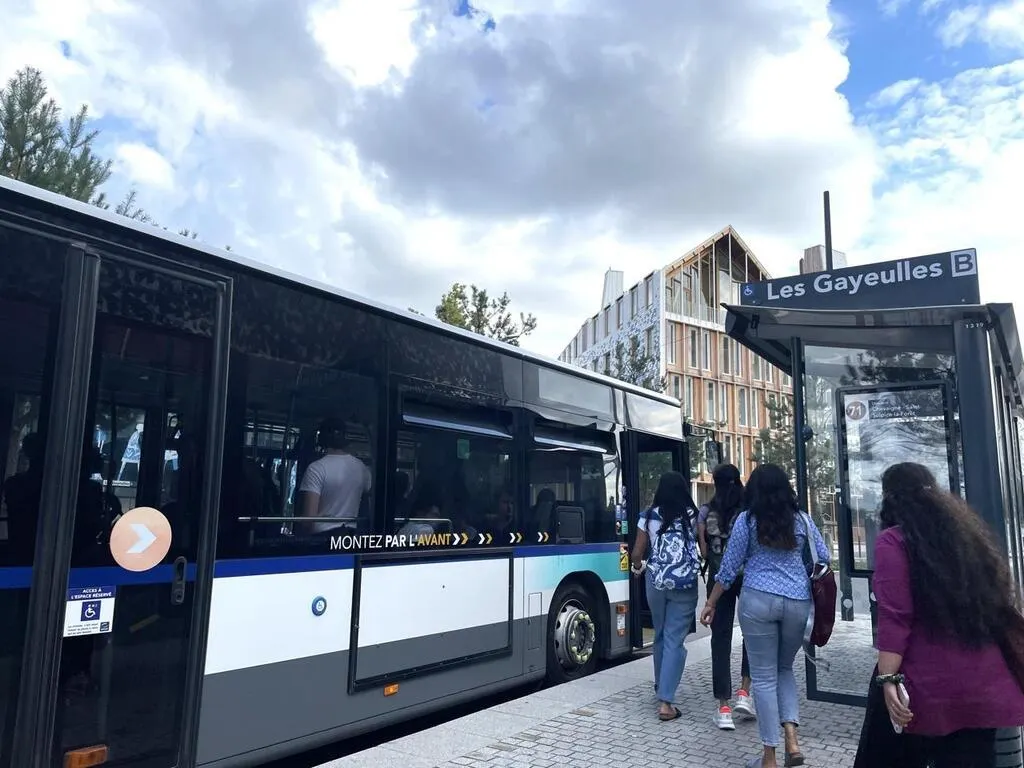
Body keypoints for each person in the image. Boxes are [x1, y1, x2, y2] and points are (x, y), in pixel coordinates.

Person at [853, 462, 1024, 768]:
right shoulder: (969, 539)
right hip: (985, 686)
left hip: (927, 686)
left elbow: (896, 617)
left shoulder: (893, 541)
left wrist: (887, 679)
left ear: (890, 498)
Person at [700, 463, 829, 768]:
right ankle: (792, 740)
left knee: (764, 678)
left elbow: (729, 569)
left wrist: (711, 602)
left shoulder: (747, 521)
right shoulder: (803, 521)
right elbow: (823, 558)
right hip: (797, 602)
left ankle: (769, 757)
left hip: (757, 600)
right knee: (784, 670)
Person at [630, 470, 701, 721]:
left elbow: (637, 552)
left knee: (660, 634)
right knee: (674, 639)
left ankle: (661, 685)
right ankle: (666, 702)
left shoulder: (647, 516)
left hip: (656, 581)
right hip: (684, 583)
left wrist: (638, 568)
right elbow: (701, 548)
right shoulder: (692, 515)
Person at [697, 463, 754, 729]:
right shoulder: (748, 512)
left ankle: (723, 707)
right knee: (752, 634)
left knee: (720, 640)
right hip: (748, 579)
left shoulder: (706, 512)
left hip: (718, 582)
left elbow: (705, 551)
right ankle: (745, 691)